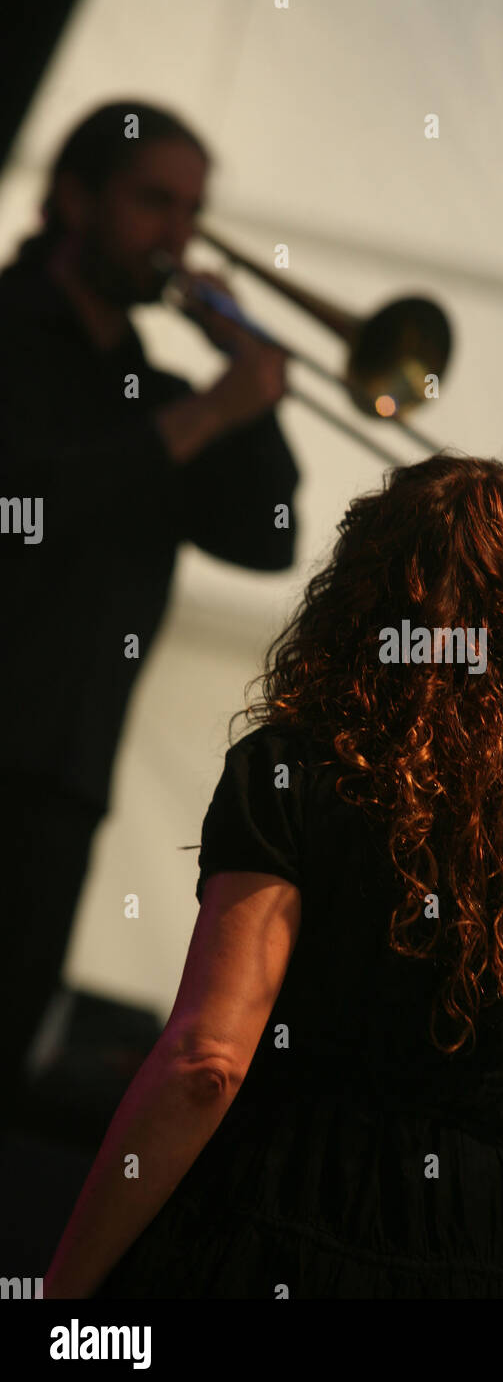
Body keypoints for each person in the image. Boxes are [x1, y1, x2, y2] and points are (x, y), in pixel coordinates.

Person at [43, 453, 503, 1299]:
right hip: (495, 1250)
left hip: (282, 1218)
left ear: (366, 598)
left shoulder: (296, 774)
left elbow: (208, 1062)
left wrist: (62, 1293)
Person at [0, 101, 300, 1120]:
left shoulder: (150, 387)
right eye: (153, 202)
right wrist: (212, 408)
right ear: (72, 198)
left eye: (193, 210)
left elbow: (266, 532)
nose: (176, 234)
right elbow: (25, 510)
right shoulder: (9, 333)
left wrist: (245, 383)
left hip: (61, 782)